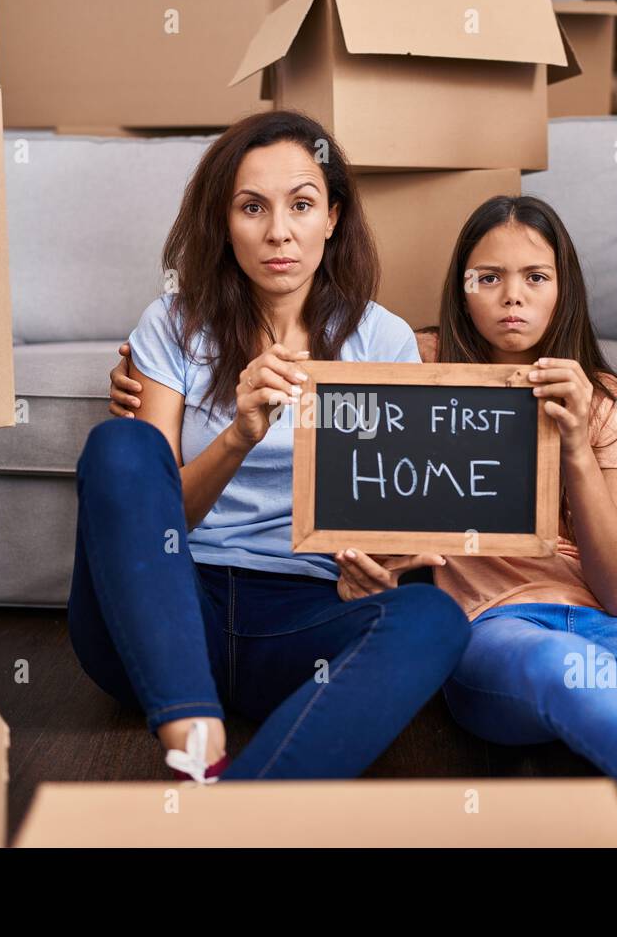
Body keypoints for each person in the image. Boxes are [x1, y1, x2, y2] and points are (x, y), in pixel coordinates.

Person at [111, 195, 617, 847]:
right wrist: (145, 379)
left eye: (535, 278)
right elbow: (354, 463)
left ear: (565, 290)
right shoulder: (416, 363)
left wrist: (579, 447)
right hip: (495, 622)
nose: (512, 298)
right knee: (565, 670)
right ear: (462, 287)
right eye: (488, 278)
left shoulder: (606, 397)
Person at [70, 109, 468, 784]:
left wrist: (379, 567)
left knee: (435, 617)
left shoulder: (384, 341)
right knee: (121, 445)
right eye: (251, 207)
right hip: (166, 614)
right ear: (223, 222)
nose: (278, 231)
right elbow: (160, 517)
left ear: (334, 216)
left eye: (302, 205)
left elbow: (383, 519)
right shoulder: (171, 324)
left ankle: (241, 812)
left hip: (303, 624)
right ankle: (194, 739)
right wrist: (239, 435)